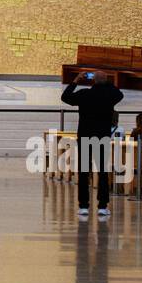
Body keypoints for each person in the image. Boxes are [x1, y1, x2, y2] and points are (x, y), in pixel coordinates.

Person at [61, 71, 124, 220]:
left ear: (92, 81)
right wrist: (106, 81)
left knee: (83, 172)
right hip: (102, 137)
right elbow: (119, 94)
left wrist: (76, 80)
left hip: (84, 136)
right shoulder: (109, 96)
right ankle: (102, 206)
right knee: (102, 172)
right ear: (105, 81)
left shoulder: (83, 94)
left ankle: (83, 205)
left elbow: (65, 97)